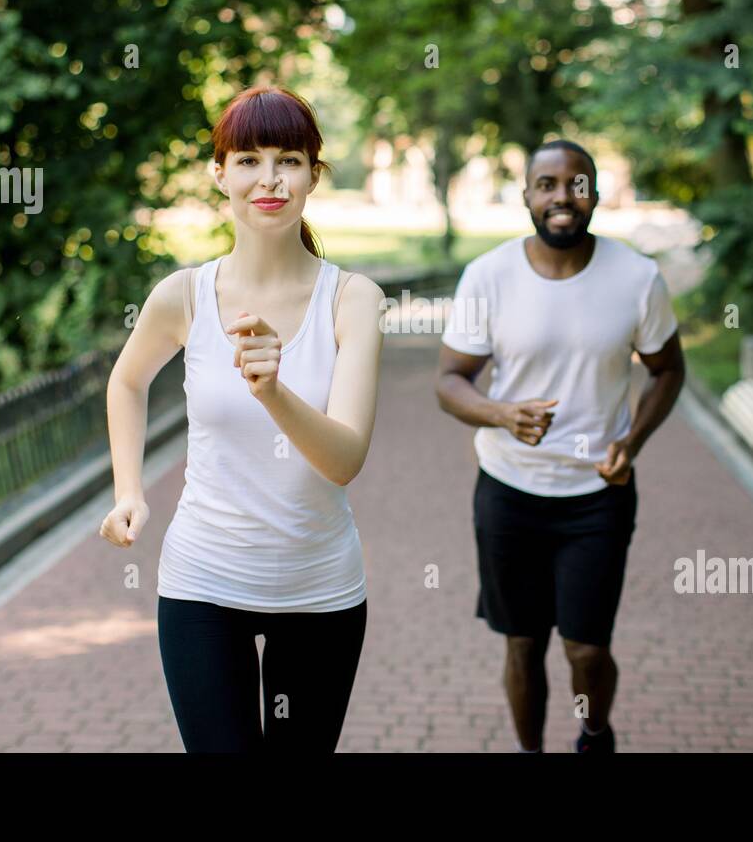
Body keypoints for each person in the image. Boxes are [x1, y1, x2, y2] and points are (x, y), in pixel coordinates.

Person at [99, 84, 386, 753]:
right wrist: (129, 491)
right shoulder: (184, 295)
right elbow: (127, 381)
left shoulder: (353, 300)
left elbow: (344, 459)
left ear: (314, 175)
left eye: (288, 159)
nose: (269, 178)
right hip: (203, 585)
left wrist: (273, 390)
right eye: (249, 159)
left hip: (318, 592)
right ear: (219, 172)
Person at [436, 139, 685, 753]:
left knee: (587, 647)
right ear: (526, 196)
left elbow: (668, 370)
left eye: (577, 183)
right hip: (508, 492)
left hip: (597, 493)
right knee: (521, 643)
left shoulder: (636, 277)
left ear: (594, 195)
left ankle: (594, 734)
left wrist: (633, 439)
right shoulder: (489, 275)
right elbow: (449, 381)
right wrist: (499, 414)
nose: (562, 197)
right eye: (546, 184)